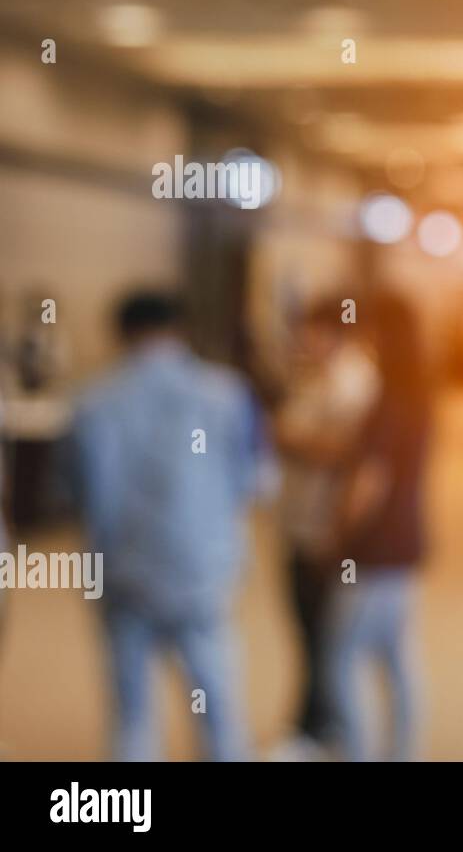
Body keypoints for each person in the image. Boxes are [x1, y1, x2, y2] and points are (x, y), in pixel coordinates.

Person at [70, 292, 261, 761]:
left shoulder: (93, 402)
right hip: (203, 570)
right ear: (180, 329)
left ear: (122, 334)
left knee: (133, 714)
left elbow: (85, 495)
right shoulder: (228, 393)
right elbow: (251, 482)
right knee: (217, 705)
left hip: (124, 574)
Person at [325, 292, 432, 761]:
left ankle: (359, 754)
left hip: (373, 548)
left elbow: (370, 483)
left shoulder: (386, 403)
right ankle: (404, 752)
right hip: (407, 541)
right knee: (396, 657)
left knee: (342, 660)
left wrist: (338, 534)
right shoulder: (418, 396)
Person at [270, 299, 379, 759]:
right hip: (298, 520)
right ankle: (316, 721)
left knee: (324, 633)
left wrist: (294, 439)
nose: (303, 342)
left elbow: (353, 452)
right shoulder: (315, 375)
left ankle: (317, 729)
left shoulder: (355, 380)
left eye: (311, 332)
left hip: (325, 526)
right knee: (307, 628)